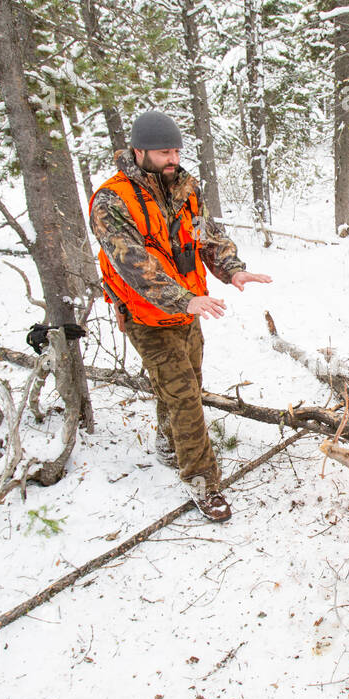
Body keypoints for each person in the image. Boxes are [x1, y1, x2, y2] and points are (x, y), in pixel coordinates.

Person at [88, 111, 271, 522]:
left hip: (190, 310)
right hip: (145, 315)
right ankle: (203, 482)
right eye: (163, 151)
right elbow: (130, 263)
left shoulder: (186, 188)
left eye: (176, 150)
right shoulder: (111, 199)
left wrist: (231, 269)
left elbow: (207, 235)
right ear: (139, 151)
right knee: (185, 397)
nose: (173, 158)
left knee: (184, 384)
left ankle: (169, 446)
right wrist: (182, 299)